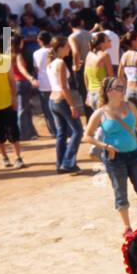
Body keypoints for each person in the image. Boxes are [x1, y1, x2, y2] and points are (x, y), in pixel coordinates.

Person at [83, 78, 137, 238]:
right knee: (120, 192)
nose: (123, 90)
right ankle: (127, 227)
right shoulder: (100, 113)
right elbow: (87, 136)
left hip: (135, 155)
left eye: (123, 87)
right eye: (119, 87)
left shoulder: (130, 106)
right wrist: (106, 146)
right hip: (114, 159)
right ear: (109, 92)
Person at [46, 36, 84, 173]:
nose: (69, 48)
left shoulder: (51, 63)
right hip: (61, 101)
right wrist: (72, 105)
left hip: (52, 101)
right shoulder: (60, 63)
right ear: (60, 47)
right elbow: (64, 87)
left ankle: (61, 163)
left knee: (61, 133)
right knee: (78, 131)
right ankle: (68, 162)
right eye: (67, 46)